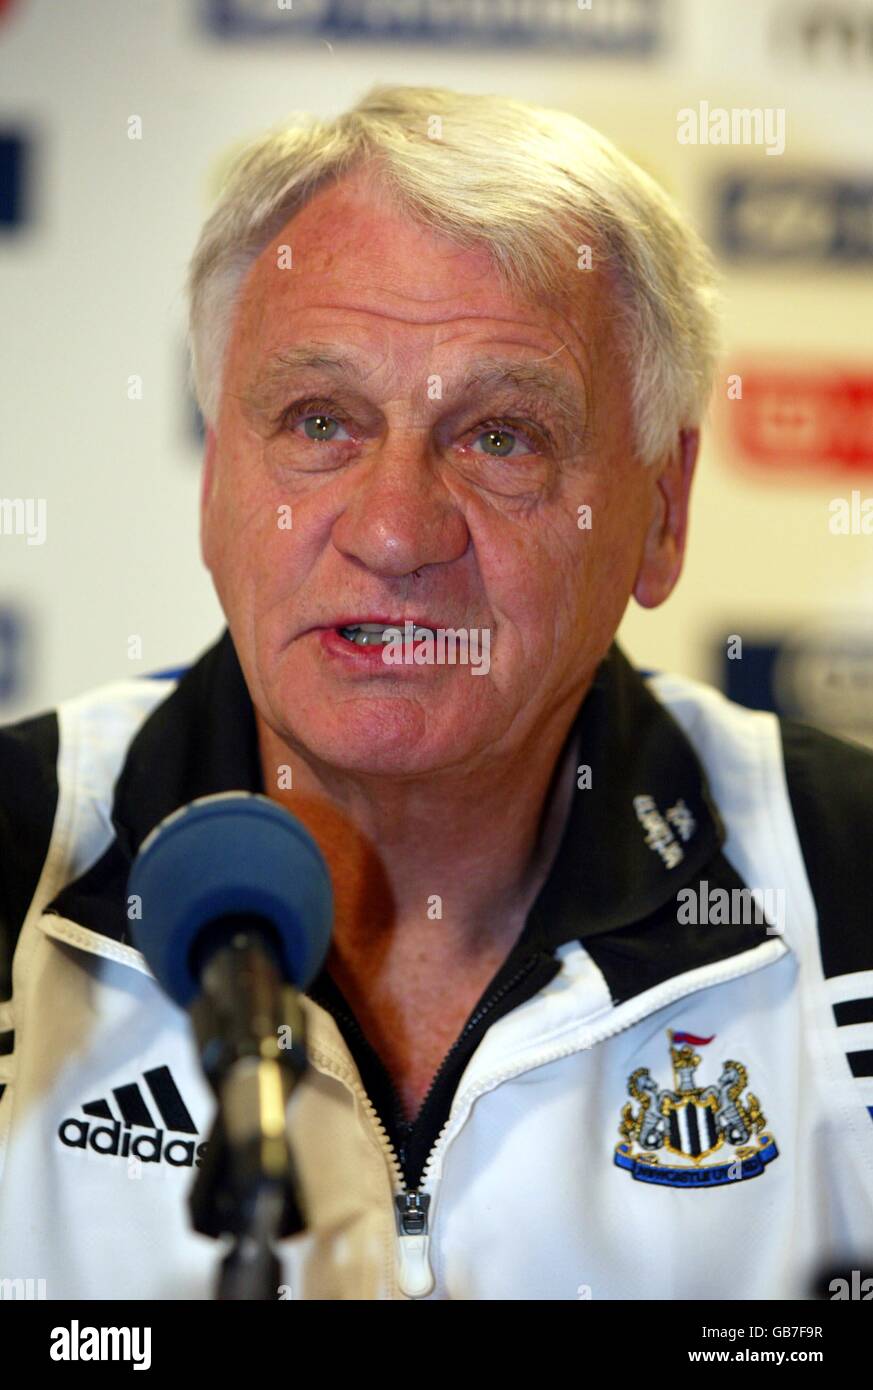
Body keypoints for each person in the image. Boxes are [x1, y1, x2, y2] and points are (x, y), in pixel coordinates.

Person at [1, 85, 871, 1301]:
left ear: (662, 512)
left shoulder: (851, 879)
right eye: (321, 421)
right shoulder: (14, 861)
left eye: (501, 436)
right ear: (214, 486)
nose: (397, 529)